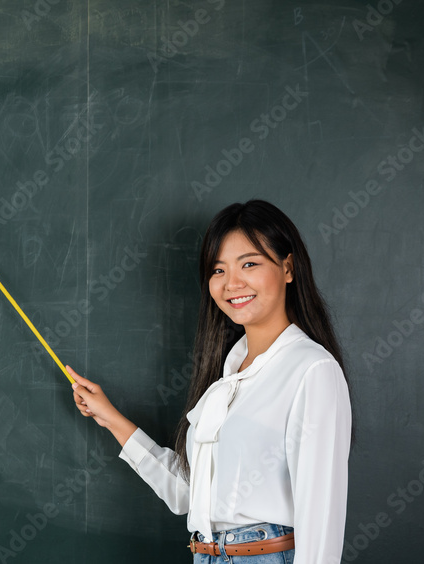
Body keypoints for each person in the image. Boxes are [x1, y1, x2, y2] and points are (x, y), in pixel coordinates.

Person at [68, 199, 354, 563]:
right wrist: (110, 418)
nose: (232, 283)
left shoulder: (312, 369)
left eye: (249, 264)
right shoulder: (225, 378)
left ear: (288, 267)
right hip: (207, 553)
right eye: (218, 270)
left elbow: (321, 517)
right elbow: (187, 495)